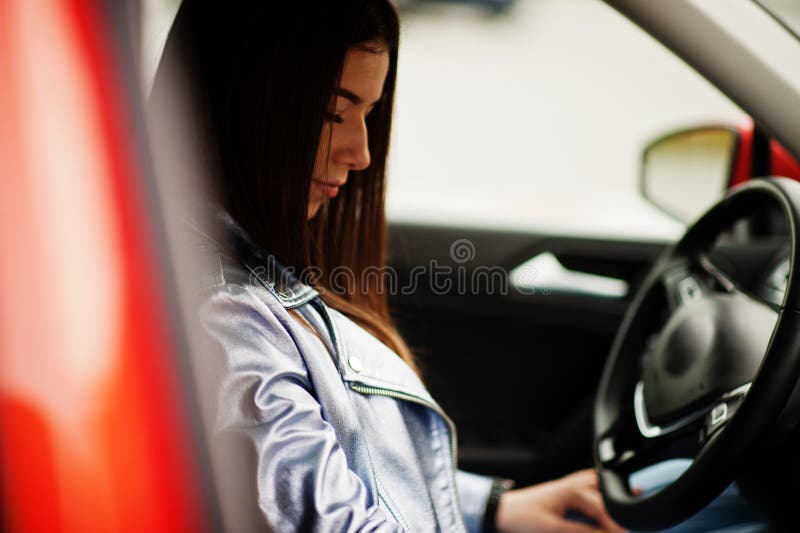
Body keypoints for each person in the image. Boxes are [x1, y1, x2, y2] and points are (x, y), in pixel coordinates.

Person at [150, 1, 765, 532]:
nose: (361, 153)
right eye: (334, 113)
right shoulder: (227, 320)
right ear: (242, 102)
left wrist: (493, 508)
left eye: (368, 114)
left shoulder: (247, 277)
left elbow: (338, 474)